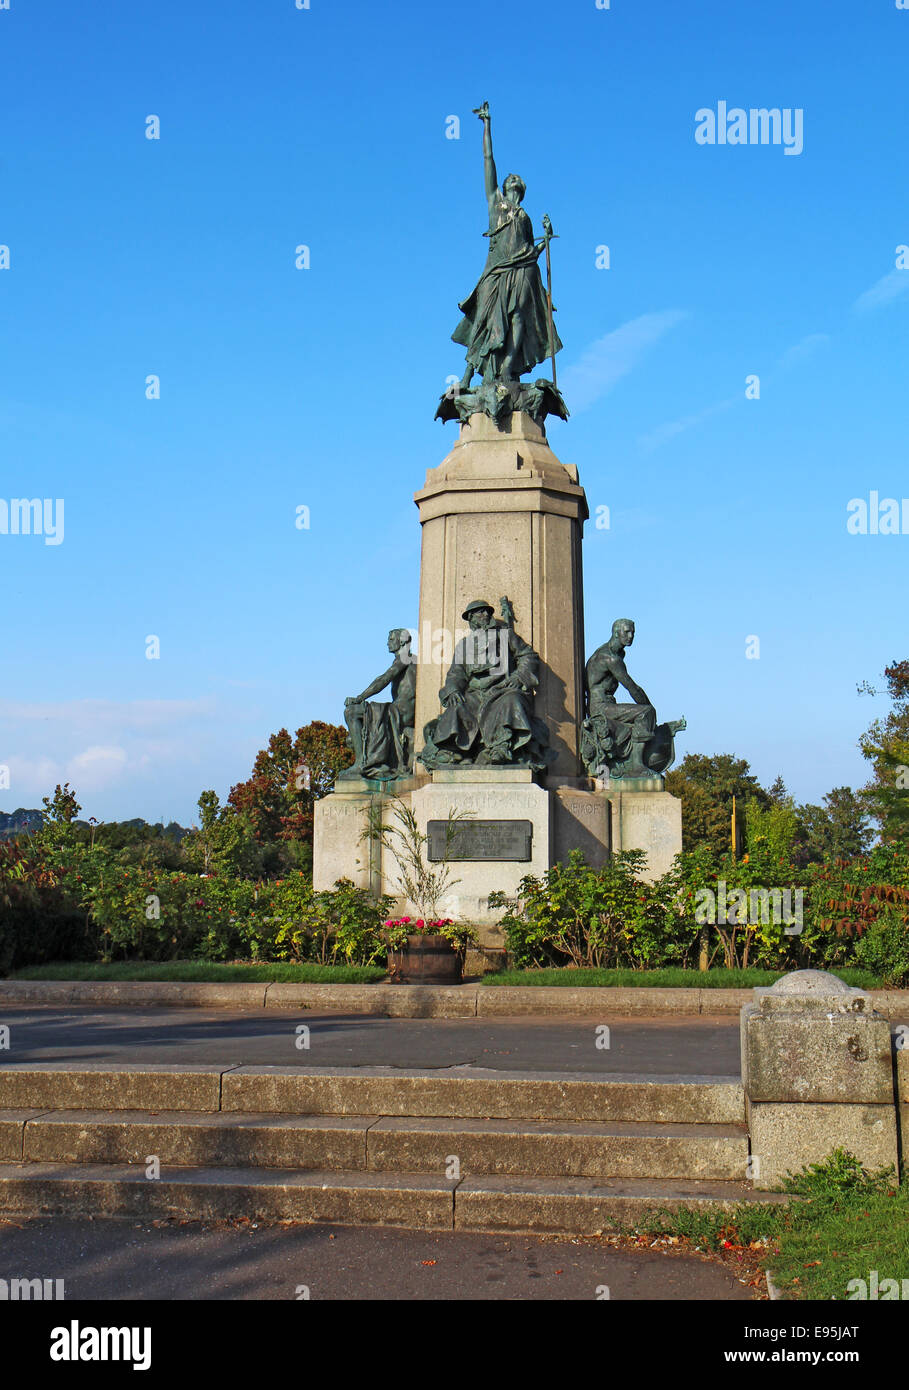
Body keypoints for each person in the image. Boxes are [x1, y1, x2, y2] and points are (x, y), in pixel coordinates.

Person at [453, 102, 561, 389]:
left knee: (518, 320)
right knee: (485, 322)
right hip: (497, 272)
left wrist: (546, 238)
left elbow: (529, 252)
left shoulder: (525, 217)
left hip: (523, 271)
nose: (513, 179)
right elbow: (488, 159)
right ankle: (467, 376)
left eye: (517, 179)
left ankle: (508, 370)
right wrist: (487, 126)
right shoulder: (495, 204)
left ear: (522, 189)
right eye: (509, 178)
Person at [420, 600, 552, 769]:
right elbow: (456, 673)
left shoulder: (505, 635)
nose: (486, 615)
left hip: (502, 689)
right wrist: (452, 690)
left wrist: (519, 676)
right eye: (480, 612)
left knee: (511, 701)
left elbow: (528, 655)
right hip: (475, 692)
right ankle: (455, 751)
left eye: (487, 612)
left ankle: (501, 748)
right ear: (471, 618)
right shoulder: (464, 645)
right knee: (457, 707)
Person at [340, 628, 415, 780]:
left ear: (402, 641)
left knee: (351, 712)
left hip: (402, 711)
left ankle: (361, 763)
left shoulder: (406, 658)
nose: (387, 643)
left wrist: (360, 698)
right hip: (402, 709)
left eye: (391, 639)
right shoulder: (410, 659)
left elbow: (383, 679)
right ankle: (364, 759)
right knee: (360, 718)